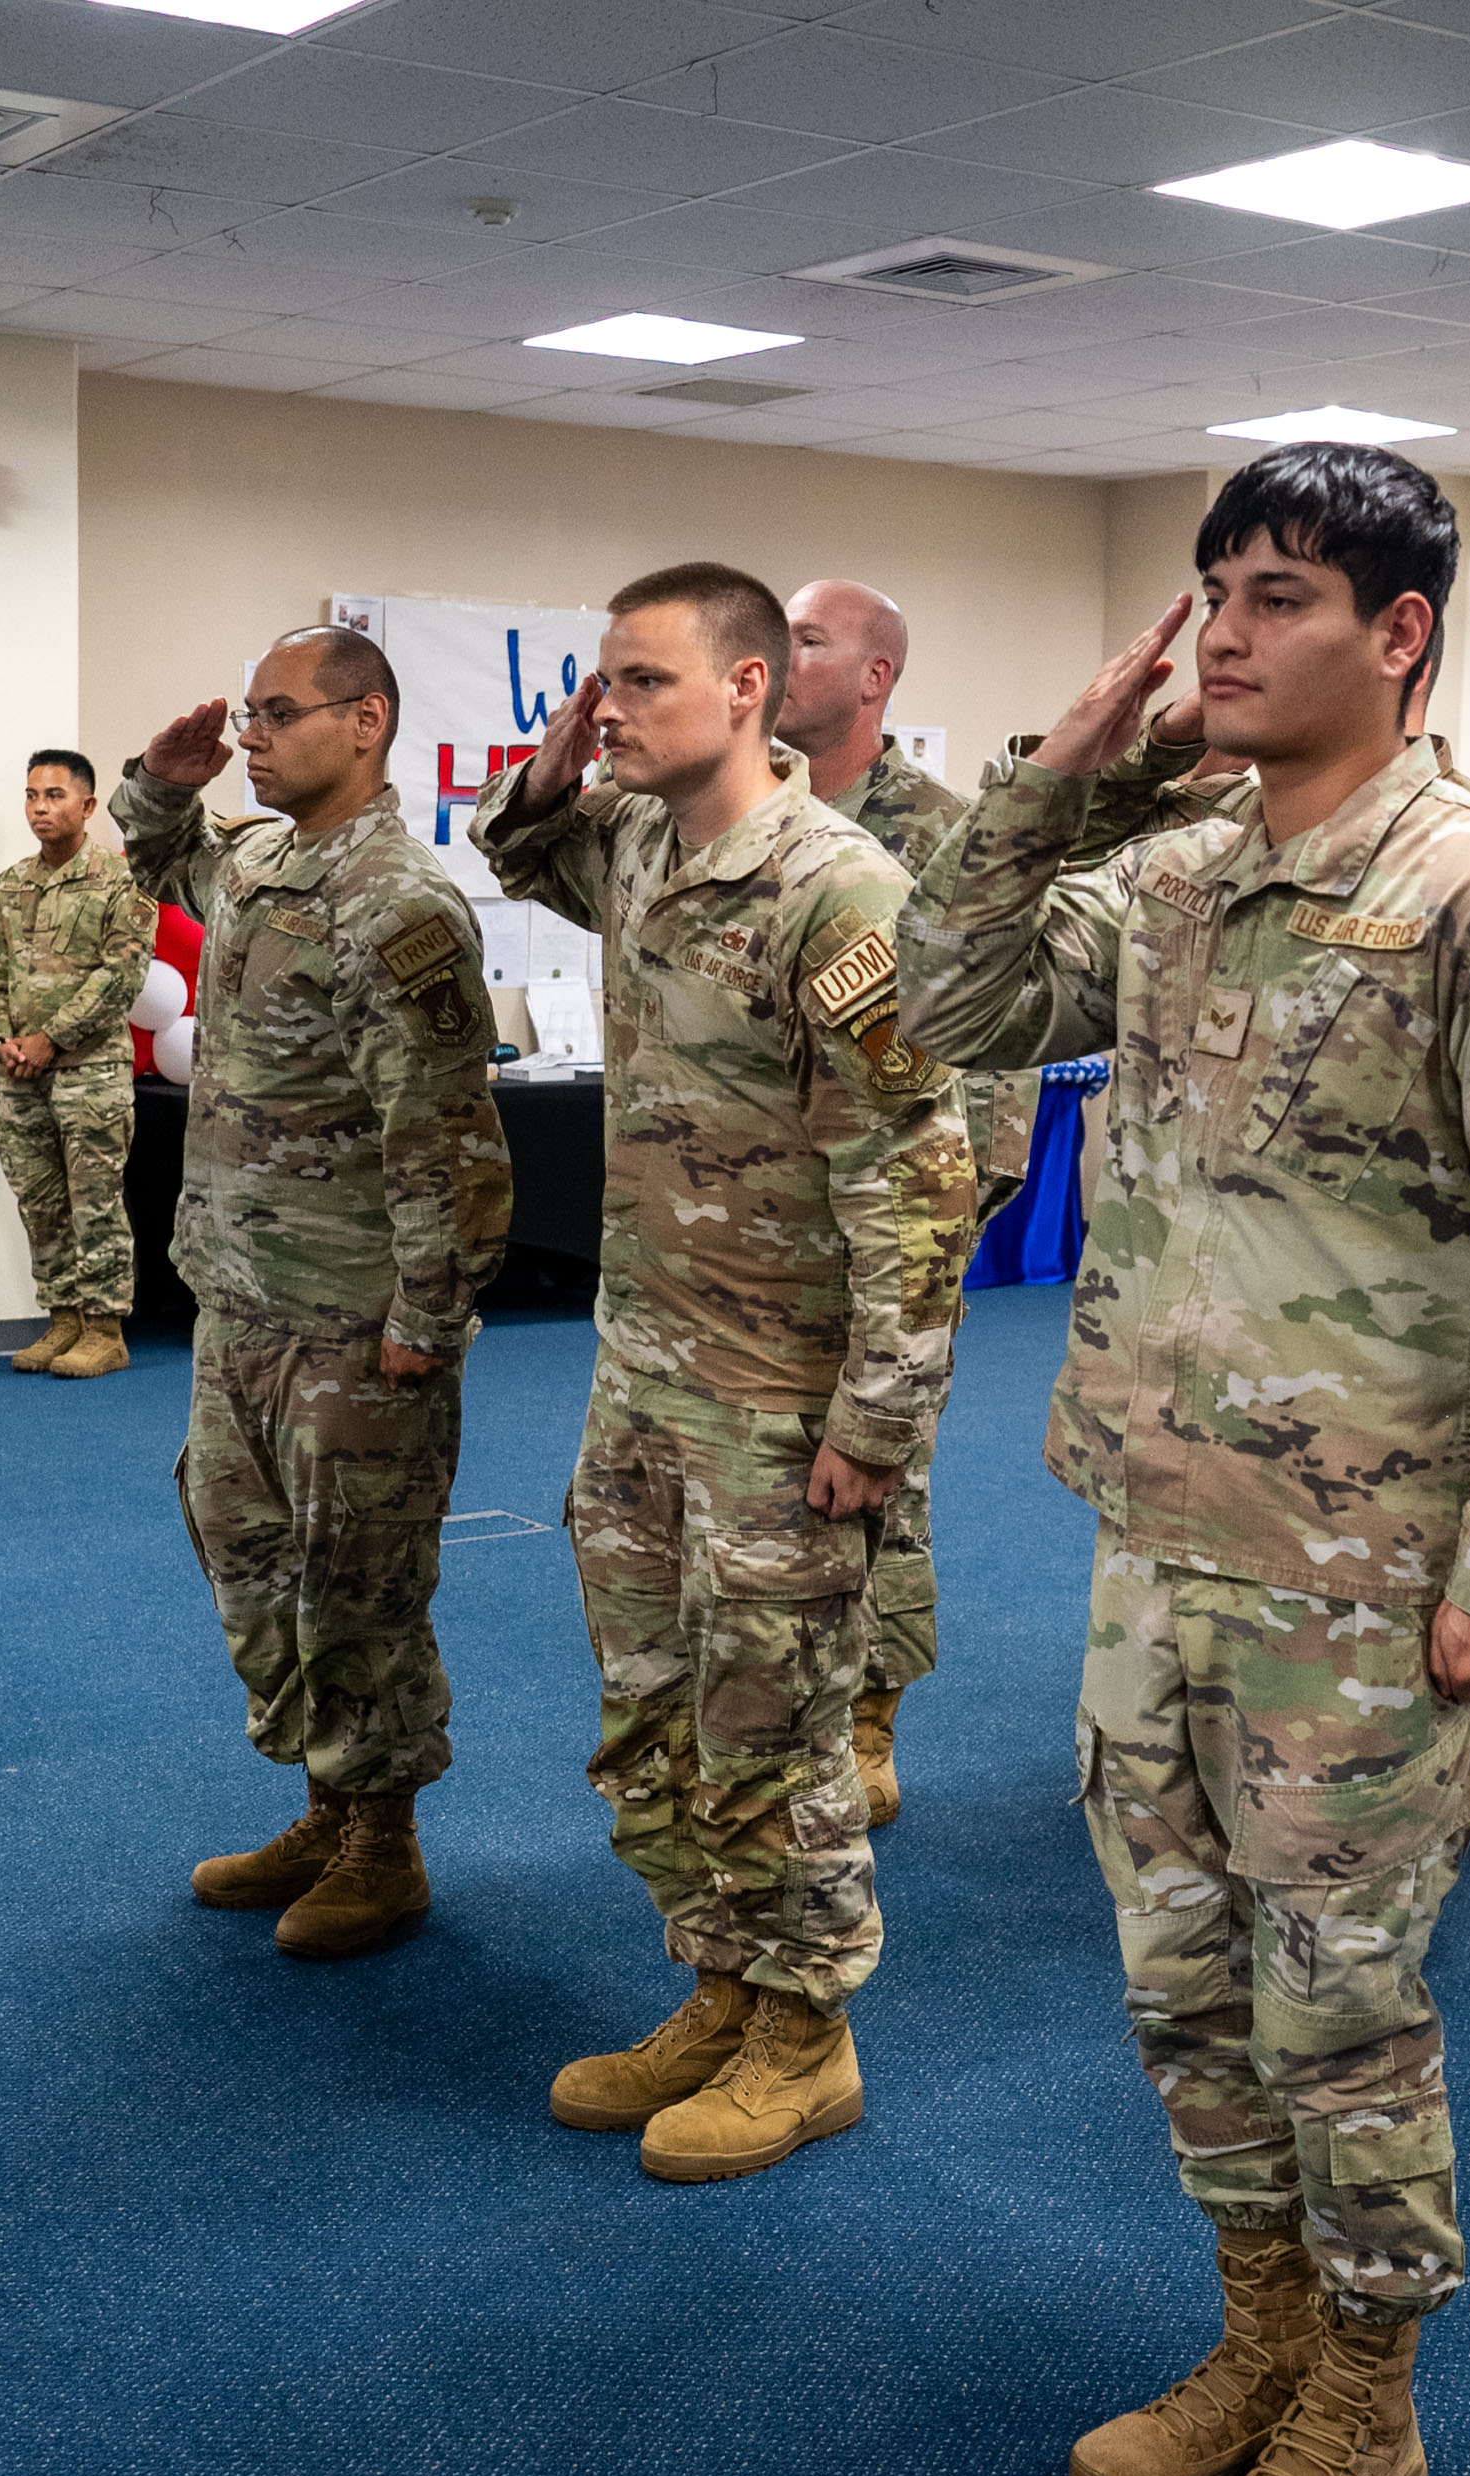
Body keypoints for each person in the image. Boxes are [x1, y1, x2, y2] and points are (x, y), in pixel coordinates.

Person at [899, 445, 1470, 2476]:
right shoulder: (1170, 871)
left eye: (1281, 595)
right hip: (1158, 1534)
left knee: (1338, 1999)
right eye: (1214, 588)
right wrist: (1056, 779)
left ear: (1400, 634)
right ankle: (1256, 2334)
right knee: (1182, 1987)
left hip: (1370, 1573)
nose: (1224, 630)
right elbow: (947, 1006)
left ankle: (1370, 2392)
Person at [473, 564, 977, 2185]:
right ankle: (717, 1980)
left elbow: (918, 1172)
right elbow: (514, 847)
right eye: (597, 676)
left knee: (772, 1726)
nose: (607, 702)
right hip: (640, 1371)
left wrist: (875, 1419)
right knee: (652, 1718)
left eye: (641, 677)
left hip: (777, 1394)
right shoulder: (629, 838)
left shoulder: (838, 890)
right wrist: (563, 753)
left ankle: (803, 2035)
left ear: (748, 687)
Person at [124, 626, 512, 1962]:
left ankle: (384, 1840)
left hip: (355, 1316)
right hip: (238, 1293)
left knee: (359, 1581)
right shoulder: (258, 862)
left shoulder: (401, 904)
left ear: (368, 721)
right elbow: (153, 857)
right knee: (249, 1557)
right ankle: (328, 1801)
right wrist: (164, 786)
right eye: (248, 712)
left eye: (279, 713)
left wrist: (427, 1314)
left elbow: (447, 1133)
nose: (253, 733)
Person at [780, 575, 1002, 1834]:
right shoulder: (745, 814)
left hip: (896, 1204)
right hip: (757, 1210)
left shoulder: (941, 831)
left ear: (875, 678)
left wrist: (971, 1201)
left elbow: (998, 1026)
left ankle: (870, 1711)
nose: (780, 654)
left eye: (807, 639)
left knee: (884, 1463)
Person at [0, 747, 153, 1380]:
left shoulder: (121, 885)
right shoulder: (7, 888)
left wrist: (51, 1037)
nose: (39, 808)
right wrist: (1, 1039)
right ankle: (63, 1320)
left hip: (90, 1074)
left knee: (94, 1200)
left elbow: (120, 977)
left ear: (86, 804)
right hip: (20, 1074)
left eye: (53, 796)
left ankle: (105, 1329)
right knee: (41, 1202)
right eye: (30, 795)